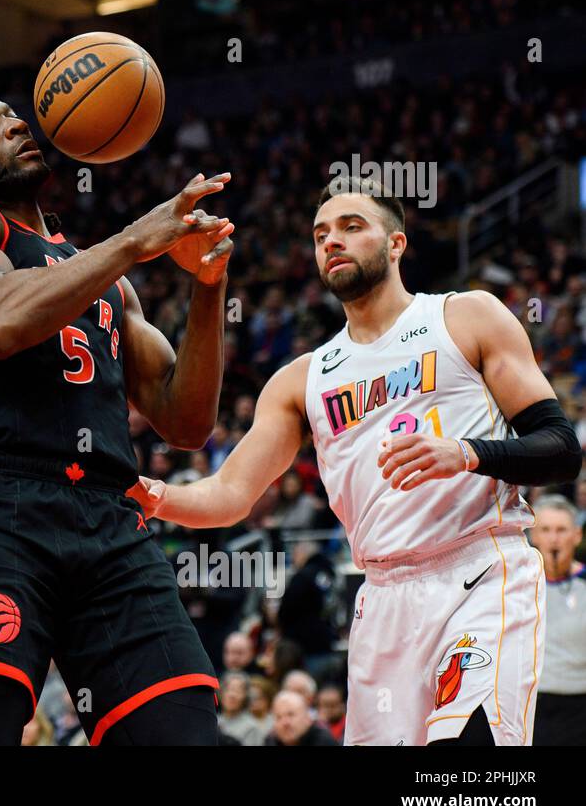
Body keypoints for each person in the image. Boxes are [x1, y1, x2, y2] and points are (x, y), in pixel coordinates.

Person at [143, 176, 581, 745]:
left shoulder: (465, 317)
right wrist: (147, 493)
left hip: (479, 569)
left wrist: (466, 453)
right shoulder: (302, 378)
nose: (333, 242)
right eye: (322, 233)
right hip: (382, 598)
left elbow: (561, 449)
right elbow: (227, 496)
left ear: (396, 244)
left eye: (352, 227)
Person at [0, 92, 235, 745]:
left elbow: (185, 421)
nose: (14, 123)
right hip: (4, 507)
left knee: (183, 728)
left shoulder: (103, 275)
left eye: (14, 115)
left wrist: (208, 289)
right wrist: (131, 242)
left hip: (110, 517)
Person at [529, 494, 586, 745]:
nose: (554, 538)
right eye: (546, 529)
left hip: (580, 706)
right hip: (532, 707)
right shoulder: (517, 586)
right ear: (534, 536)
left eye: (562, 530)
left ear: (577, 535)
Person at [265, 690, 338, 746]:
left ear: (307, 718)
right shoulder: (271, 741)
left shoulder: (324, 741)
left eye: (291, 715)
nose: (285, 723)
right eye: (278, 718)